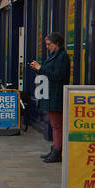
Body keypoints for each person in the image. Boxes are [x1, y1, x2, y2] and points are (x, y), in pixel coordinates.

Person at [30, 32, 71, 164]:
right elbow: (49, 71)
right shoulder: (55, 56)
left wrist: (40, 68)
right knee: (54, 124)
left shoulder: (62, 57)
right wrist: (38, 68)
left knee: (57, 125)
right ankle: (55, 149)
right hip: (50, 94)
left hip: (56, 94)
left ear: (57, 44)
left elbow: (57, 75)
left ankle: (57, 151)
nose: (47, 47)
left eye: (49, 44)